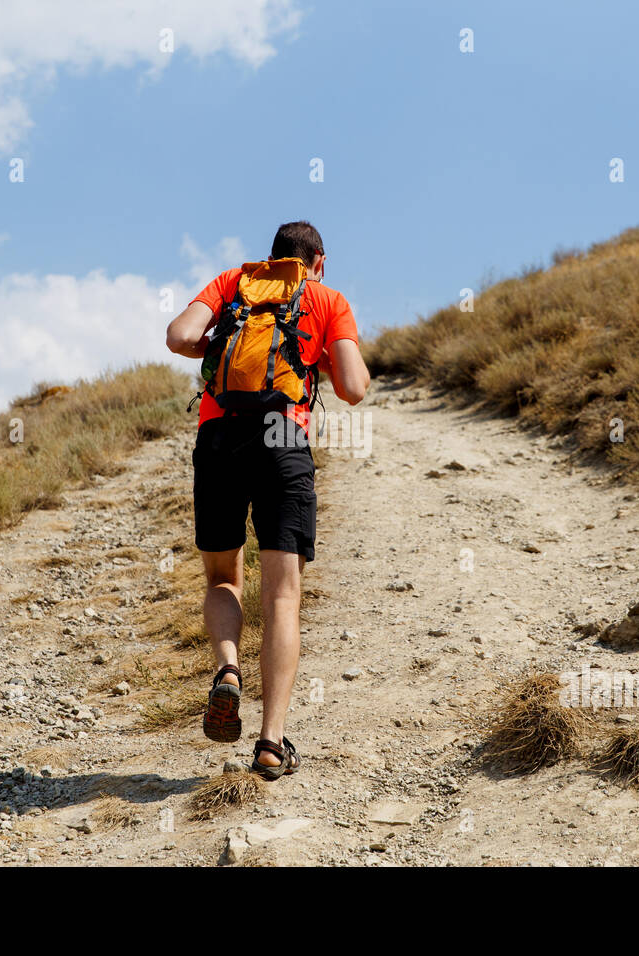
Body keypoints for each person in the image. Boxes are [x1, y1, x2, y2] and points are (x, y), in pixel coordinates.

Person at [164, 220, 370, 779]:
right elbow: (353, 387)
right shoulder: (326, 298)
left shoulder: (233, 283)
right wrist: (319, 354)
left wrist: (220, 350)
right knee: (282, 596)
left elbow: (179, 337)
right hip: (283, 437)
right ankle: (271, 743)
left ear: (271, 257)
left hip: (220, 434)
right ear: (318, 261)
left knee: (222, 579)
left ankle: (228, 670)